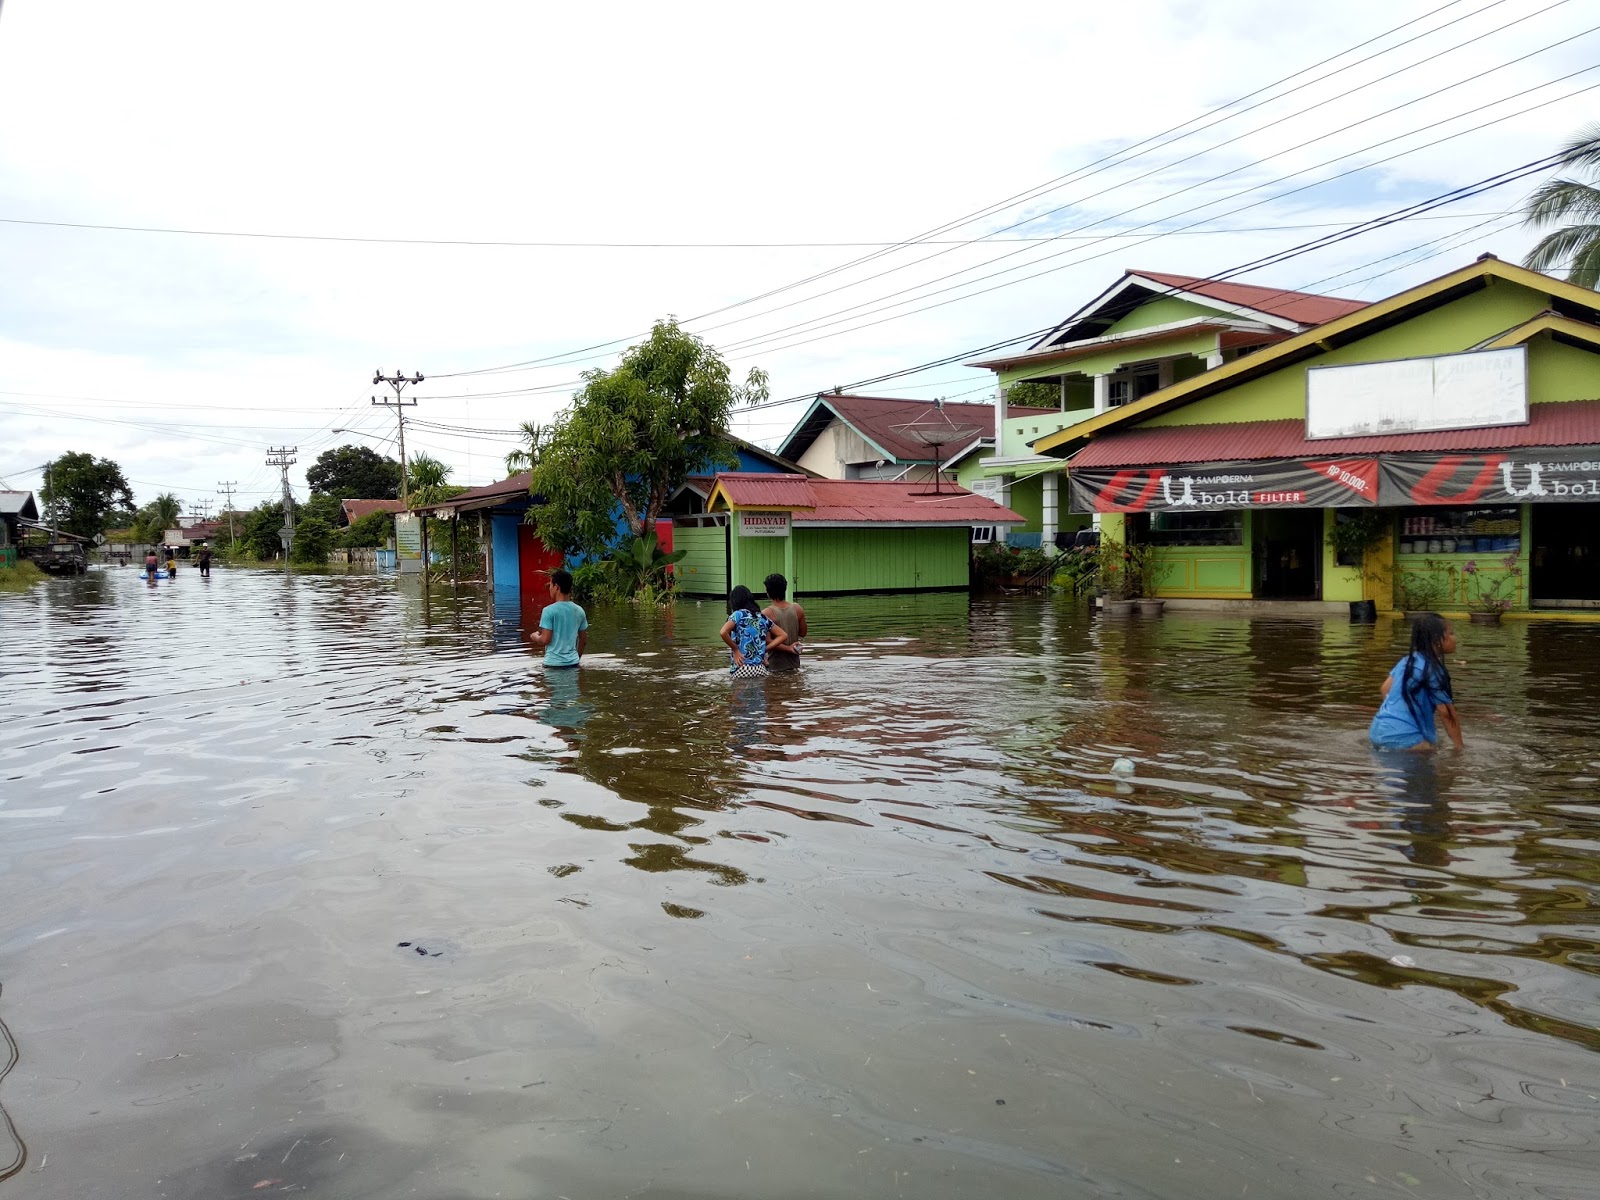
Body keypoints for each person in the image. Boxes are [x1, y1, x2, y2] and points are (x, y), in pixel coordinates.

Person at [1369, 612, 1463, 751]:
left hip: (1378, 730)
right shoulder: (1433, 670)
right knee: (1432, 767)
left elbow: (1385, 689)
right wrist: (1460, 749)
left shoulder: (1407, 661)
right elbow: (1446, 714)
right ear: (1437, 640)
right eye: (1451, 633)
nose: (1455, 638)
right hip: (1406, 737)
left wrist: (1399, 716)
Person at [721, 584, 788, 678]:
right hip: (761, 669)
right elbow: (783, 635)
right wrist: (765, 649)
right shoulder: (762, 617)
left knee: (736, 692)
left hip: (742, 668)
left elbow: (723, 632)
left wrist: (735, 649)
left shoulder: (738, 615)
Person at [532, 568, 588, 668]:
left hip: (552, 665)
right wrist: (576, 658)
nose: (549, 588)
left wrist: (535, 636)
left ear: (556, 587)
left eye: (550, 585)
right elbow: (583, 640)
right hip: (573, 664)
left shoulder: (548, 611)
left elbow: (545, 640)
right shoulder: (579, 610)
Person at [761, 573, 807, 670]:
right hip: (795, 664)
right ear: (785, 589)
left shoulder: (766, 613)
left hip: (775, 665)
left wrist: (788, 648)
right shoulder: (797, 609)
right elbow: (803, 633)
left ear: (768, 592)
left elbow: (768, 641)